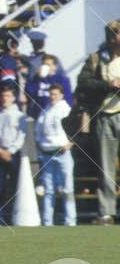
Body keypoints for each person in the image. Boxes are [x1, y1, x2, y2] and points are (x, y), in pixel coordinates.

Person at [76, 31, 120, 224]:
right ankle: (107, 212)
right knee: (105, 167)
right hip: (104, 115)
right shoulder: (96, 59)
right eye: (113, 35)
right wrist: (108, 85)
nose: (115, 39)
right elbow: (83, 83)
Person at [35, 82, 77, 226]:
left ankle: (70, 221)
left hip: (62, 153)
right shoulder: (45, 110)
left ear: (61, 95)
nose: (53, 97)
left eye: (55, 94)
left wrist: (71, 142)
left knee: (67, 189)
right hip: (47, 153)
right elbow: (38, 130)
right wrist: (39, 144)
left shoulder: (66, 109)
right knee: (49, 190)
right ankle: (47, 222)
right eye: (51, 94)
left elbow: (76, 127)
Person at [0, 85, 26, 225]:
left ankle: (15, 217)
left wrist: (11, 151)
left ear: (13, 98)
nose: (5, 99)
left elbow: (21, 136)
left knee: (15, 187)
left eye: (8, 96)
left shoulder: (20, 116)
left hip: (13, 154)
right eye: (3, 96)